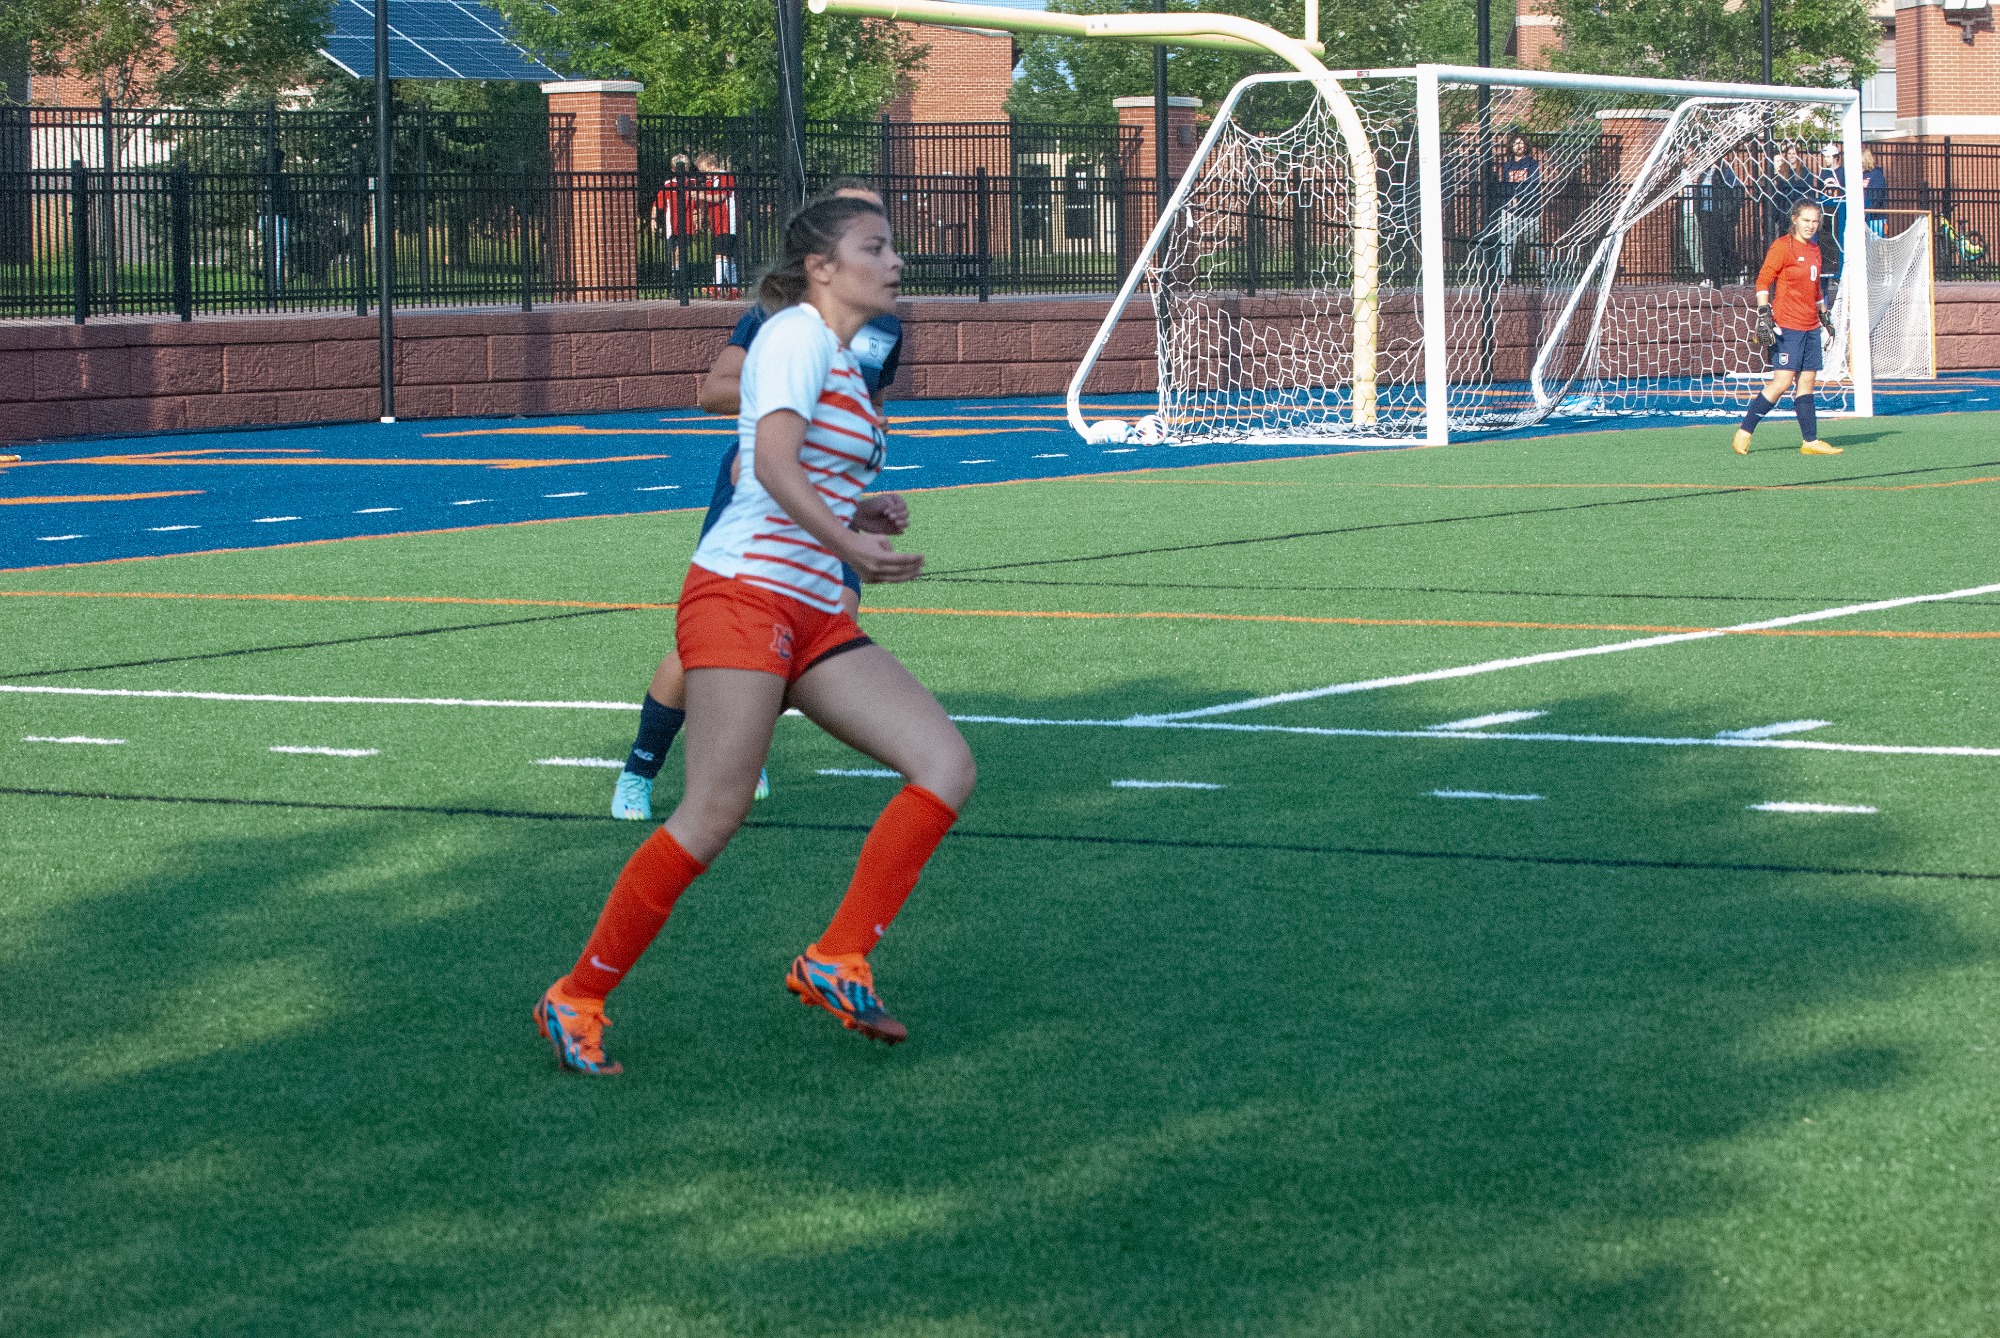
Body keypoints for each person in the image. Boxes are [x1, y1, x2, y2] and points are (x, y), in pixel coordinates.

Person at [535, 193, 975, 1073]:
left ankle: (837, 957)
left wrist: (859, 509)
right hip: (743, 597)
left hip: (813, 609)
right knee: (714, 811)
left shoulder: (844, 360)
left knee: (946, 766)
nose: (896, 262)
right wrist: (848, 536)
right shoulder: (795, 336)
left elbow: (776, 468)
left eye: (894, 248)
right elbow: (767, 465)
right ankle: (576, 995)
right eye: (875, 247)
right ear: (822, 265)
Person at [610, 180, 904, 822]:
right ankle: (640, 768)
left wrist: (860, 485)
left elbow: (871, 413)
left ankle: (737, 729)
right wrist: (794, 384)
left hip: (828, 502)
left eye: (880, 225)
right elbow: (713, 389)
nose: (882, 244)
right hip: (760, 498)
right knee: (703, 652)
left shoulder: (884, 324)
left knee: (830, 617)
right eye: (862, 228)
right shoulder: (785, 322)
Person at [1733, 199, 1842, 458]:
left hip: (1810, 325)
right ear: (1794, 219)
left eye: (1815, 221)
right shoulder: (1782, 246)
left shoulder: (1815, 249)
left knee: (1807, 382)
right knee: (1781, 382)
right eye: (1806, 220)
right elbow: (1763, 279)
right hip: (1787, 325)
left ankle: (1810, 441)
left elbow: (1815, 290)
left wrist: (1824, 316)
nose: (1811, 225)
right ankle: (1744, 432)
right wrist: (1763, 313)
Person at [1491, 131, 1541, 282]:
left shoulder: (1532, 164)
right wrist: (1509, 200)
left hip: (1529, 210)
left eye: (1521, 143)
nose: (1518, 146)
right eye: (1515, 143)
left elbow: (1532, 185)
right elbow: (1505, 185)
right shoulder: (1507, 165)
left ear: (1525, 145)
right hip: (1510, 211)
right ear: (1511, 146)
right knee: (1506, 244)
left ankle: (1544, 276)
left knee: (1535, 245)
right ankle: (1505, 277)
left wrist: (1519, 197)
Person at [1695, 149, 1745, 286]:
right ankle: (1709, 277)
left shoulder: (1726, 172)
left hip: (1721, 214)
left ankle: (1739, 270)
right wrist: (1698, 211)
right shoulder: (1704, 173)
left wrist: (1730, 211)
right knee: (1707, 247)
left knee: (1725, 246)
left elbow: (1738, 191)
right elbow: (1698, 192)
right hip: (1706, 212)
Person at [695, 151, 741, 292]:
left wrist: (698, 194)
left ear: (713, 165)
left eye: (705, 171)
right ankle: (734, 288)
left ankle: (718, 286)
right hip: (717, 222)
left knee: (720, 254)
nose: (704, 175)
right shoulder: (711, 181)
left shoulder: (724, 176)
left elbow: (719, 197)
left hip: (728, 221)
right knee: (728, 255)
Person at [1861, 149, 1887, 236]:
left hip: (1875, 219)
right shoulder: (1857, 175)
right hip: (1861, 219)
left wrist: (1867, 210)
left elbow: (1876, 197)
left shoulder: (1876, 175)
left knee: (1875, 245)